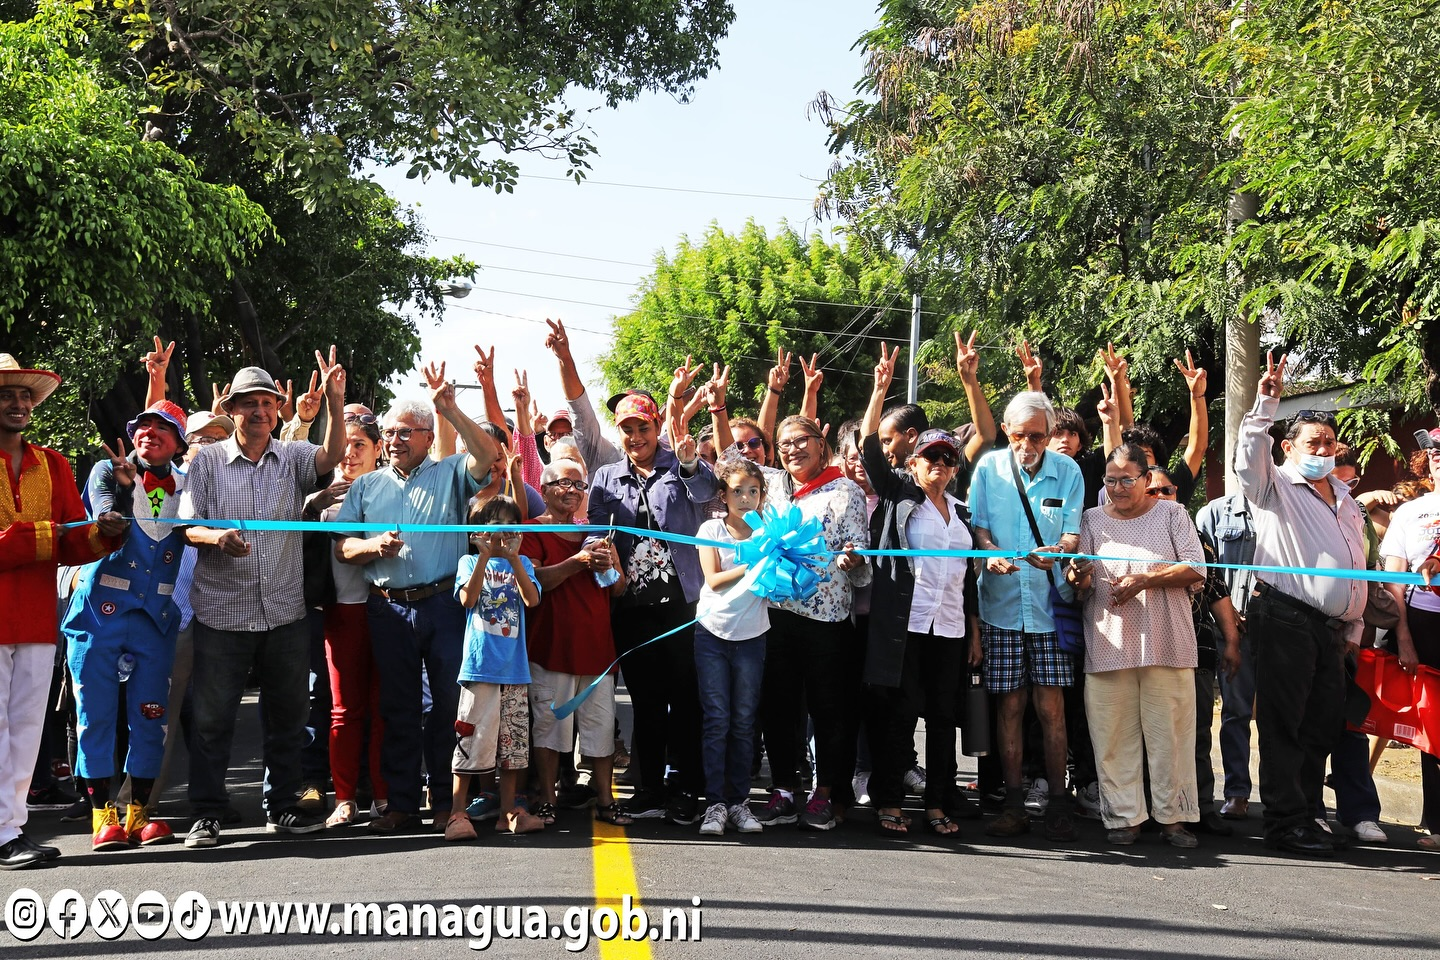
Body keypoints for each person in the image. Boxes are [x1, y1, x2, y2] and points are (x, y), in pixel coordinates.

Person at [179, 353, 347, 848]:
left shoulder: (293, 457)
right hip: (221, 613)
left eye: (267, 404)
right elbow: (189, 527)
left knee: (288, 716)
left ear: (278, 410)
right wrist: (218, 539)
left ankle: (283, 807)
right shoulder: (205, 460)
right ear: (231, 410)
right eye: (249, 404)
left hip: (284, 613)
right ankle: (207, 813)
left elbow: (330, 455)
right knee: (212, 718)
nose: (259, 412)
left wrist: (336, 402)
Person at [334, 361, 500, 833]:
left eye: (405, 432)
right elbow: (343, 546)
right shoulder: (366, 485)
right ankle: (402, 804)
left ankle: (449, 805)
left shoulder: (450, 473)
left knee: (449, 706)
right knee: (399, 707)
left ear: (428, 437)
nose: (394, 440)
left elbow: (487, 454)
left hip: (443, 604)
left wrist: (450, 408)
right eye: (389, 432)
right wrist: (371, 547)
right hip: (388, 607)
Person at [1235, 353, 1366, 856]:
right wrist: (1266, 401)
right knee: (1284, 722)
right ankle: (1284, 821)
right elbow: (1249, 453)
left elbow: (1354, 565)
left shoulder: (1345, 496)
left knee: (1321, 724)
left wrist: (1352, 626)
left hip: (1332, 631)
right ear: (1288, 448)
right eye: (1314, 443)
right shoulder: (1273, 487)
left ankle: (1309, 813)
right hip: (1286, 616)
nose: (1324, 450)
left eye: (1330, 443)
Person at [0, 354, 126, 870]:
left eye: (25, 395)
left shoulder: (51, 463)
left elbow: (76, 539)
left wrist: (106, 530)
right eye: (7, 394)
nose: (19, 403)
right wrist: (51, 537)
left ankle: (10, 830)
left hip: (34, 616)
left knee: (26, 729)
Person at [860, 345, 982, 838]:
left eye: (947, 457)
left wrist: (973, 631)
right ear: (913, 462)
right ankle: (890, 800)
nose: (939, 463)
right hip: (905, 627)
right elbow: (871, 450)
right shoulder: (899, 497)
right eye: (929, 455)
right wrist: (879, 390)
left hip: (949, 628)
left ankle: (937, 804)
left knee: (943, 717)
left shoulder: (963, 513)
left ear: (955, 466)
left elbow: (967, 578)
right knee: (901, 712)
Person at [588, 366, 718, 823]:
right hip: (631, 607)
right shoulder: (605, 477)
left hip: (684, 605)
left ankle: (687, 787)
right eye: (627, 429)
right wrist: (601, 557)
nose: (636, 436)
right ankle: (649, 789)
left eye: (643, 427)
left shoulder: (680, 464)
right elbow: (593, 532)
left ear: (656, 427)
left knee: (685, 697)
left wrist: (686, 462)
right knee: (644, 700)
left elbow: (707, 491)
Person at [63, 400, 191, 851]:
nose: (150, 434)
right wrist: (118, 496)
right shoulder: (107, 469)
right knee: (95, 714)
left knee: (150, 717)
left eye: (163, 429)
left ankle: (140, 814)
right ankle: (103, 816)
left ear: (179, 442)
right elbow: (103, 514)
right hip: (101, 614)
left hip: (155, 619)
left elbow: (197, 528)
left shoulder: (188, 484)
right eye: (144, 427)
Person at [1068, 447, 1206, 847]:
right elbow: (1081, 581)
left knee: (1172, 736)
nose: (1118, 488)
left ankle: (1174, 818)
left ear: (1147, 479)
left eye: (1127, 479)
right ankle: (1124, 817)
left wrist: (1146, 579)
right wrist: (1079, 576)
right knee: (1112, 737)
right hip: (1109, 644)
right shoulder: (1090, 520)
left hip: (1168, 643)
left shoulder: (1173, 514)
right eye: (1110, 480)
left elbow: (1197, 568)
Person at [970, 389, 1083, 842]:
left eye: (1037, 436)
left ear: (1051, 433)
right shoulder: (988, 468)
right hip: (999, 606)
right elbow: (977, 528)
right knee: (1010, 707)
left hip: (1049, 607)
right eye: (1018, 435)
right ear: (1006, 431)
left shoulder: (1068, 470)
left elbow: (1074, 534)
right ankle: (1013, 803)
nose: (1027, 444)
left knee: (1052, 709)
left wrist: (1058, 550)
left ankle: (1058, 803)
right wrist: (991, 553)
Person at [755, 413, 870, 831]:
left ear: (822, 442)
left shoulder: (847, 491)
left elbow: (861, 557)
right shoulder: (774, 492)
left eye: (801, 440)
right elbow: (730, 459)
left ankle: (827, 793)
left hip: (827, 619)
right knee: (779, 707)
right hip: (778, 616)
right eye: (784, 444)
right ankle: (784, 789)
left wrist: (853, 557)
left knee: (828, 710)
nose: (793, 450)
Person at [520, 458, 631, 827]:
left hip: (597, 650)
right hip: (551, 648)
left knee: (600, 729)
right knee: (549, 728)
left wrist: (609, 563)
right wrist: (578, 561)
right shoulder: (531, 530)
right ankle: (548, 800)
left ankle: (605, 798)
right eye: (562, 483)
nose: (571, 491)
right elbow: (535, 582)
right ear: (543, 489)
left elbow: (618, 589)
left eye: (578, 485)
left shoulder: (595, 532)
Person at [1147, 465, 1242, 837]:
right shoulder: (1126, 529)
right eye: (1151, 492)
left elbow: (1216, 589)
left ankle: (1200, 806)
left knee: (1197, 732)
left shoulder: (1197, 536)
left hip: (1197, 648)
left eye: (1166, 491)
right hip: (1147, 650)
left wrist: (1232, 641)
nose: (1160, 498)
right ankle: (1153, 809)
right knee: (1151, 735)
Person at [445, 497, 544, 840]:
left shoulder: (524, 564)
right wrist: (484, 556)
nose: (502, 534)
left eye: (509, 526)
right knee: (470, 741)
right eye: (494, 526)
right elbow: (468, 600)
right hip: (479, 668)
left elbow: (531, 600)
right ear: (478, 531)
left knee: (513, 746)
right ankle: (457, 813)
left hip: (514, 671)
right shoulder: (468, 561)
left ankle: (509, 812)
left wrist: (515, 558)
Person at [306, 413, 387, 827]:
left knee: (385, 706)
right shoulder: (319, 496)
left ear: (379, 449)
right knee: (343, 709)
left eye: (360, 445)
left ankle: (384, 795)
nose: (350, 454)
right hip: (342, 610)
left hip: (390, 607)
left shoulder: (394, 489)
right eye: (344, 444)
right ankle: (344, 798)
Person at [693, 457, 770, 836]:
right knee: (717, 720)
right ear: (722, 495)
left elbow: (780, 582)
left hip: (753, 636)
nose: (745, 497)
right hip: (712, 635)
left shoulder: (769, 533)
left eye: (753, 490)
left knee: (743, 722)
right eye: (737, 490)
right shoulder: (711, 528)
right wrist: (755, 559)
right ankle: (714, 804)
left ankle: (739, 803)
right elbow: (714, 579)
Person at [1380, 428, 1440, 851]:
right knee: (1433, 726)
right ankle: (1436, 824)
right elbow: (1394, 583)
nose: (1439, 459)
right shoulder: (1410, 513)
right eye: (1435, 454)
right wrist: (1403, 637)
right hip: (1425, 624)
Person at [1194, 489, 1257, 822]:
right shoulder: (1214, 513)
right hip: (1230, 630)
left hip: (1282, 626)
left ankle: (1291, 801)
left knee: (1284, 716)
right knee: (1235, 713)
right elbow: (1210, 577)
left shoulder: (1288, 509)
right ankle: (1236, 794)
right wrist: (1230, 619)